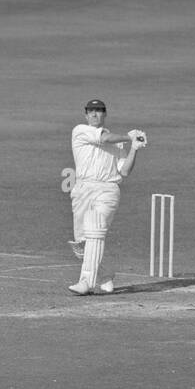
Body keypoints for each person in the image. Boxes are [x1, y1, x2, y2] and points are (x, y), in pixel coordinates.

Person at [68, 99, 145, 295]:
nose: (94, 114)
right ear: (86, 115)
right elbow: (104, 139)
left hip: (107, 190)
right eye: (91, 111)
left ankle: (85, 282)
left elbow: (125, 171)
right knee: (81, 244)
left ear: (105, 114)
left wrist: (134, 149)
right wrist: (129, 137)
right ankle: (106, 274)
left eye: (99, 111)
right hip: (83, 189)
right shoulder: (80, 130)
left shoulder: (118, 142)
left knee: (95, 229)